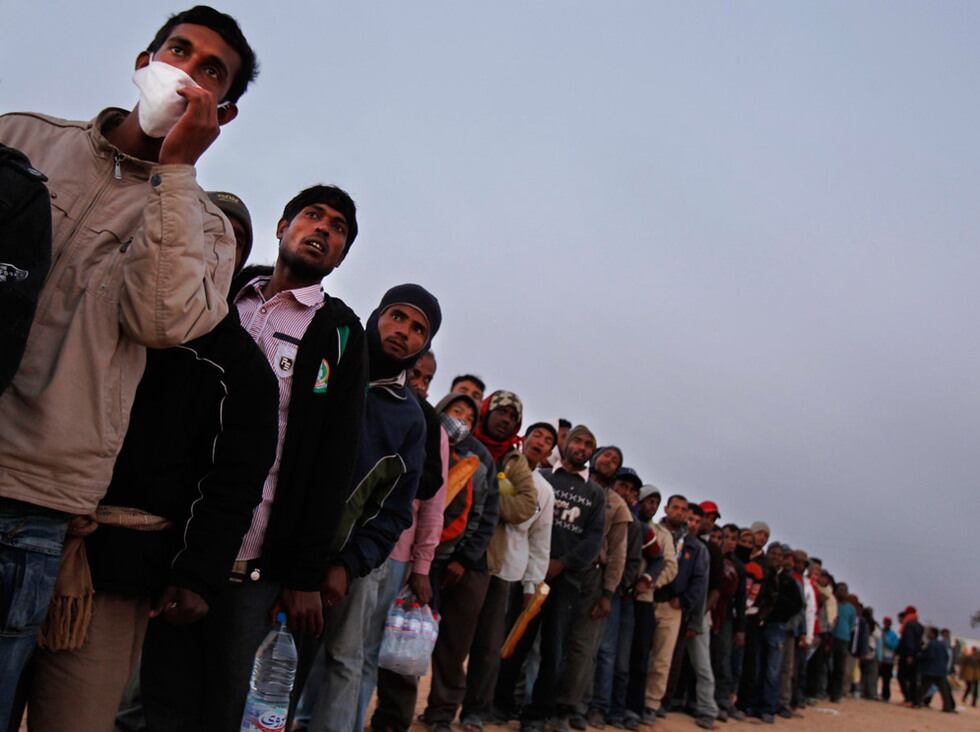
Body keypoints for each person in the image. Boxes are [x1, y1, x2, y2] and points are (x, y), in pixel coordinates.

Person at [0, 7, 257, 720]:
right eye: (180, 52)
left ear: (224, 112)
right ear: (145, 60)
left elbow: (161, 318)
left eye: (212, 72)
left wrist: (175, 172)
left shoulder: (202, 226)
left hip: (35, 504)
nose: (187, 74)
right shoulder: (19, 139)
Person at [20, 192, 278, 732]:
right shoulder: (104, 313)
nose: (209, 250)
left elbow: (231, 483)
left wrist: (196, 575)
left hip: (118, 571)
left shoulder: (239, 367)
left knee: (77, 718)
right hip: (24, 531)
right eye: (198, 234)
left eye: (227, 241)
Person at [139, 183, 367, 731]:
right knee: (146, 703)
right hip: (169, 536)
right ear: (282, 227)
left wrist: (305, 573)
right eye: (312, 217)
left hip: (254, 559)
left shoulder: (338, 333)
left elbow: (331, 461)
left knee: (224, 707)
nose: (322, 231)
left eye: (337, 229)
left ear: (341, 255)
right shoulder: (222, 294)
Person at [294, 284, 440, 732]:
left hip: (349, 564)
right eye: (397, 316)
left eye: (419, 329)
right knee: (269, 652)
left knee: (344, 658)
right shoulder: (331, 366)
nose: (404, 332)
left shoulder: (411, 418)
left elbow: (396, 509)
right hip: (280, 540)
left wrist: (349, 563)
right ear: (378, 315)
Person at [423, 390, 537, 731]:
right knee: (421, 635)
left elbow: (523, 507)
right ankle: (410, 712)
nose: (505, 420)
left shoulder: (511, 463)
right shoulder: (452, 444)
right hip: (431, 555)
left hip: (480, 563)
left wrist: (485, 500)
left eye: (512, 418)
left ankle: (456, 711)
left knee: (466, 643)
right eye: (500, 412)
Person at [355, 352, 448, 732]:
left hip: (393, 552)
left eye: (428, 379)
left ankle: (344, 721)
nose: (420, 384)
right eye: (416, 374)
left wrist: (422, 565)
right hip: (348, 541)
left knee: (364, 653)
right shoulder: (368, 398)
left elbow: (433, 506)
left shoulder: (431, 427)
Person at [494, 425, 606, 732]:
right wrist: (536, 563)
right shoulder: (542, 477)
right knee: (516, 637)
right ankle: (501, 703)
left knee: (553, 648)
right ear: (565, 444)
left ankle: (537, 713)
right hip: (527, 573)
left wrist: (562, 563)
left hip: (566, 582)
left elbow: (594, 540)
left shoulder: (595, 493)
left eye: (588, 444)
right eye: (578, 441)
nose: (582, 447)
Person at [459, 421, 557, 731]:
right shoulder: (500, 466)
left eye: (547, 440)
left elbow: (540, 541)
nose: (540, 441)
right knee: (457, 637)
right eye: (536, 435)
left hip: (509, 571)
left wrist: (532, 583)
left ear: (550, 452)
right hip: (475, 559)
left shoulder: (545, 491)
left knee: (489, 646)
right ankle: (442, 705)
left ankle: (477, 709)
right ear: (524, 439)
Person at [558, 448, 632, 729]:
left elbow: (618, 554)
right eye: (606, 456)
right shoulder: (572, 487)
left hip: (593, 578)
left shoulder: (617, 505)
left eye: (615, 461)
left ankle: (565, 708)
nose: (609, 462)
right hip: (560, 570)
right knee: (549, 641)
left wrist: (608, 593)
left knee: (581, 648)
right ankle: (529, 702)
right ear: (594, 456)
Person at [622, 486, 677, 729]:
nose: (652, 506)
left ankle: (634, 707)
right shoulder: (627, 521)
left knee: (640, 656)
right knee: (614, 654)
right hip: (620, 595)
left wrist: (648, 582)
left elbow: (669, 567)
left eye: (657, 502)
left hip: (644, 601)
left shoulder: (661, 534)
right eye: (649, 501)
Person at [644, 494, 701, 723]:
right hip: (647, 598)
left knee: (663, 658)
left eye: (683, 509)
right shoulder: (653, 531)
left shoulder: (694, 545)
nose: (678, 512)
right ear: (666, 508)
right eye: (675, 507)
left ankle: (651, 703)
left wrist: (685, 600)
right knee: (637, 654)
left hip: (672, 606)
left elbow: (699, 579)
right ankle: (629, 699)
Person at [747, 543, 804, 724]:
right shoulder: (762, 573)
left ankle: (768, 709)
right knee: (757, 667)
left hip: (777, 627)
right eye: (773, 553)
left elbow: (797, 605)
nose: (776, 557)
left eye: (780, 555)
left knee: (773, 671)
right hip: (758, 625)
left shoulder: (788, 581)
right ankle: (754, 705)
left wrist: (779, 614)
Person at [828, 583, 857, 703]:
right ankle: (826, 690)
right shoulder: (833, 603)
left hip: (844, 639)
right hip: (831, 637)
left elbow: (852, 624)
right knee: (828, 665)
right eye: (840, 590)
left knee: (840, 668)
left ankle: (836, 694)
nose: (842, 592)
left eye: (844, 590)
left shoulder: (851, 608)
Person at [917, 627, 955, 712]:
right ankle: (947, 707)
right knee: (944, 691)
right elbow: (946, 657)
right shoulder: (941, 644)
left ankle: (916, 701)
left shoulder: (932, 644)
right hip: (941, 671)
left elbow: (929, 655)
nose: (927, 634)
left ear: (933, 634)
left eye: (929, 633)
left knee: (923, 688)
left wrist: (919, 656)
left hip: (931, 671)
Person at [897, 604, 924, 706]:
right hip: (916, 655)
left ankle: (909, 699)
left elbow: (909, 640)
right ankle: (914, 701)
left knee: (902, 676)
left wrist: (909, 654)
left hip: (908, 655)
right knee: (913, 678)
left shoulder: (909, 625)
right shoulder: (919, 625)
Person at [878, 616, 899, 702]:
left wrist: (886, 640)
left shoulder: (893, 635)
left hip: (888, 660)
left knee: (886, 679)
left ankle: (886, 696)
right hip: (880, 659)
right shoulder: (880, 632)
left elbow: (894, 646)